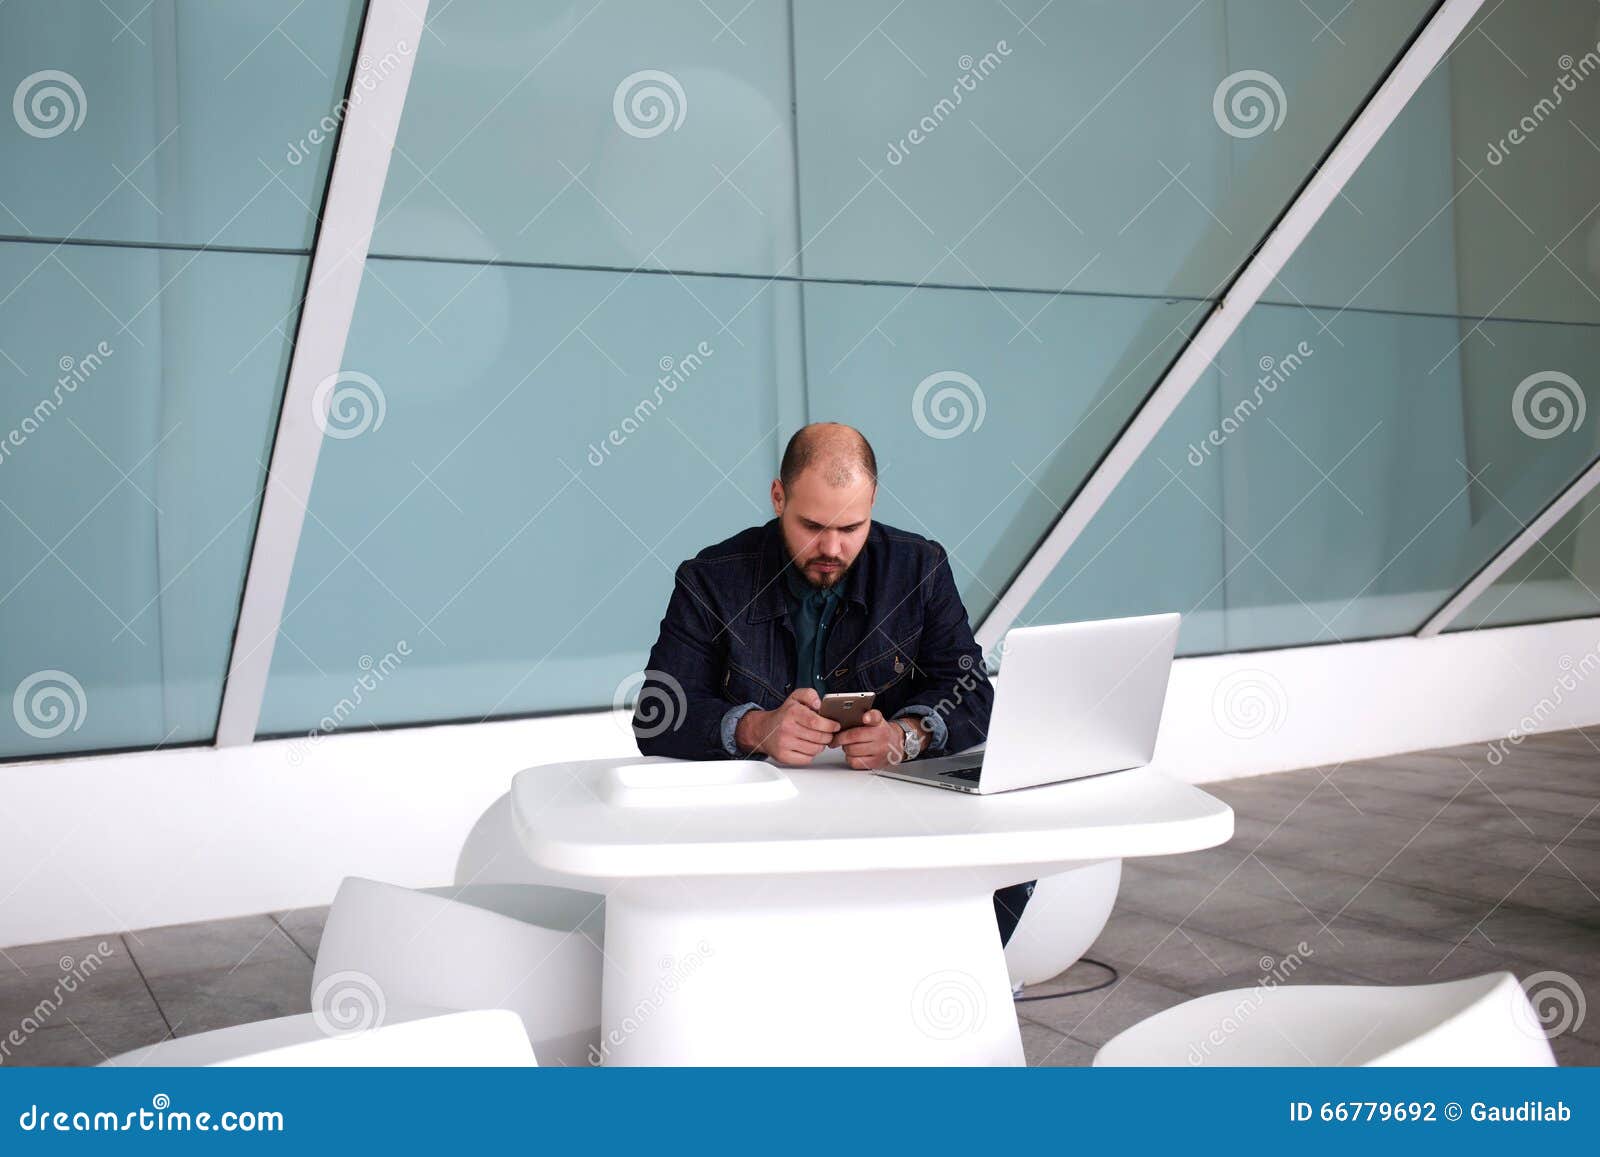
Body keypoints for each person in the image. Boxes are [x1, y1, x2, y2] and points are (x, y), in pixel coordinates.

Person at [633, 421, 1032, 943]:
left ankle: (947, 979)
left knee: (1009, 868)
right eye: (813, 526)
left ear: (873, 503)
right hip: (758, 826)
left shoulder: (918, 567)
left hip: (884, 815)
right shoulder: (710, 579)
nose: (833, 547)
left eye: (852, 528)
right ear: (778, 498)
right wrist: (755, 729)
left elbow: (972, 690)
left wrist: (906, 735)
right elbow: (657, 716)